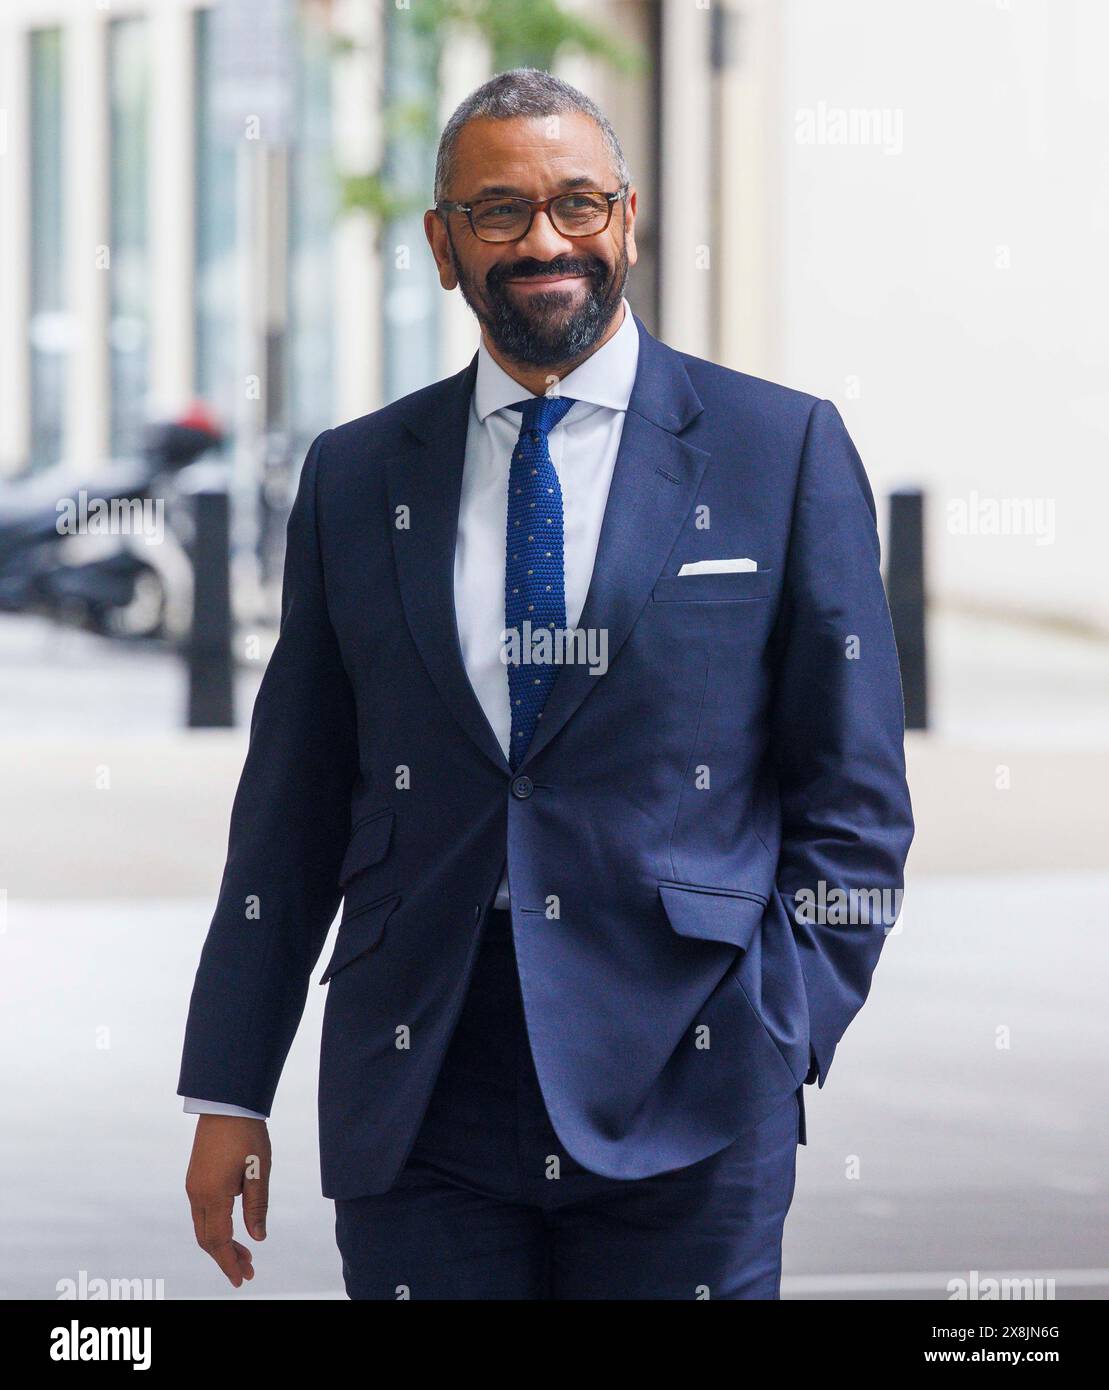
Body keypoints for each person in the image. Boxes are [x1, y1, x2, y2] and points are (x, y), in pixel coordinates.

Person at [180, 68, 914, 1300]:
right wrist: (227, 1085)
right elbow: (291, 810)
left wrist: (775, 1034)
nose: (543, 241)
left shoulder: (776, 450)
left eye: (577, 204)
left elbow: (853, 803)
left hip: (687, 1081)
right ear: (441, 244)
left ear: (625, 220)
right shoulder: (358, 477)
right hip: (421, 1092)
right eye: (499, 211)